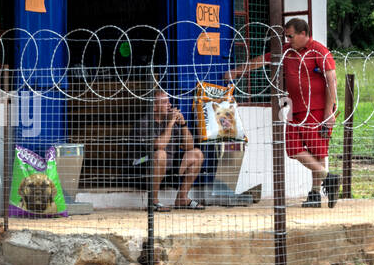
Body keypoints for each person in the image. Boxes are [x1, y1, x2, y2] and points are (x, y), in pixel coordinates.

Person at [225, 18, 340, 208]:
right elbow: (264, 60)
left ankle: (314, 193)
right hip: (297, 109)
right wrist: (238, 71)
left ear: (303, 33)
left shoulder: (317, 50)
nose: (288, 39)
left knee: (317, 151)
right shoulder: (287, 50)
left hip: (317, 110)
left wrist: (329, 111)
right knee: (293, 149)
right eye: (286, 36)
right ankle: (328, 178)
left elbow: (331, 78)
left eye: (291, 35)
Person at [136, 89, 204, 211]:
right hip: (141, 164)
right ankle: (153, 201)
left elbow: (189, 146)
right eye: (164, 102)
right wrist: (170, 123)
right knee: (160, 154)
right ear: (154, 108)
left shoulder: (171, 122)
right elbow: (159, 145)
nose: (170, 105)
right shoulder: (144, 122)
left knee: (197, 154)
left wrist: (182, 124)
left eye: (169, 102)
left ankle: (182, 198)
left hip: (168, 165)